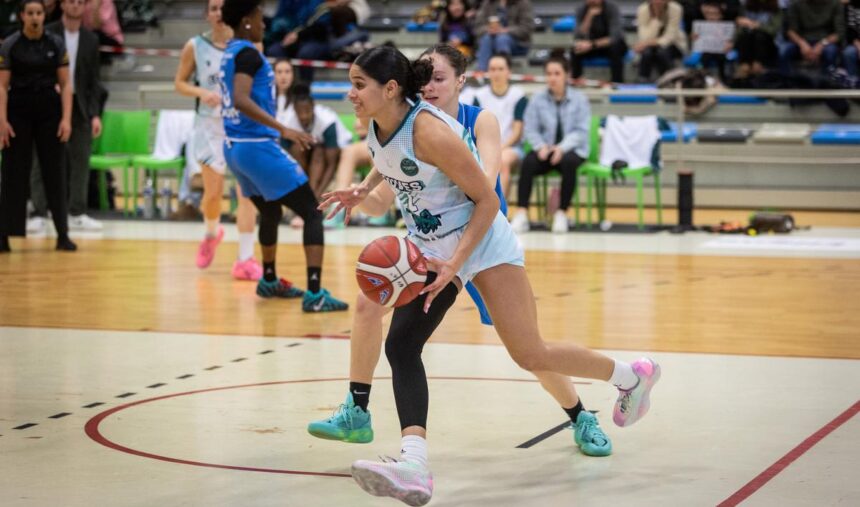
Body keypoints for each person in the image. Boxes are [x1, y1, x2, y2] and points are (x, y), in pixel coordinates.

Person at [331, 45, 660, 506]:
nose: (350, 93)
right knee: (402, 343)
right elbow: (387, 169)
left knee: (530, 352)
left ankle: (630, 376)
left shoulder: (434, 130)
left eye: (358, 84)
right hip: (434, 248)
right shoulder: (377, 125)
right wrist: (360, 192)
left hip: (482, 242)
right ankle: (414, 465)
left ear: (389, 89)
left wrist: (455, 263)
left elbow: (486, 200)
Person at [219, 0, 348, 311]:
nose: (264, 23)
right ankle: (315, 295)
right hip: (256, 147)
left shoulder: (230, 52)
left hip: (234, 147)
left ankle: (269, 279)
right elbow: (239, 98)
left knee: (272, 212)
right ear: (247, 21)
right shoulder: (248, 54)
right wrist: (283, 130)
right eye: (259, 17)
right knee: (313, 213)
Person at [174, 0, 263, 281]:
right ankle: (212, 233)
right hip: (209, 127)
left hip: (240, 127)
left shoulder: (249, 46)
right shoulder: (195, 46)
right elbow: (180, 83)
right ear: (207, 14)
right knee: (213, 195)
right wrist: (202, 92)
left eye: (222, 8)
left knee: (246, 195)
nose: (218, 13)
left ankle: (245, 259)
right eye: (212, 8)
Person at [0, 0, 75, 253]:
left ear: (44, 16)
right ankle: (4, 236)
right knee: (13, 173)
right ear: (22, 16)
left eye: (39, 13)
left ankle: (63, 235)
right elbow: (1, 86)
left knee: (55, 173)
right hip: (18, 111)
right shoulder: (10, 44)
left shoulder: (55, 43)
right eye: (30, 13)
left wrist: (66, 119)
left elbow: (66, 85)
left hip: (49, 111)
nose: (35, 17)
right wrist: (2, 120)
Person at [28, 0, 104, 234]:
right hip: (49, 104)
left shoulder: (91, 40)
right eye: (71, 1)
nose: (75, 5)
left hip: (79, 106)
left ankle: (77, 212)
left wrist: (95, 115)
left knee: (80, 159)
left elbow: (94, 82)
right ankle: (39, 213)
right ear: (62, 5)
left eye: (80, 2)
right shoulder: (47, 32)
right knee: (41, 160)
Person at [509, 56, 589, 235]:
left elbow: (581, 132)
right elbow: (530, 128)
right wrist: (540, 147)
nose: (552, 78)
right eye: (549, 74)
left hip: (571, 150)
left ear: (567, 75)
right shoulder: (537, 99)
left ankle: (562, 213)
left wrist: (561, 148)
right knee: (528, 162)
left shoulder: (580, 100)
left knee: (569, 162)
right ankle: (522, 213)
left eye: (557, 73)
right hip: (546, 149)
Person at [471, 53, 527, 203]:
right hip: (483, 148)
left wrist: (498, 149)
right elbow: (475, 127)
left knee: (502, 161)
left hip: (511, 147)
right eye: (493, 69)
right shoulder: (479, 95)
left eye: (500, 69)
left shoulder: (518, 96)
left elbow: (517, 131)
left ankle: (498, 211)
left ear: (509, 72)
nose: (496, 73)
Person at [283, 82, 354, 199]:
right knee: (296, 148)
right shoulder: (287, 122)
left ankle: (313, 194)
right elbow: (285, 158)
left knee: (319, 152)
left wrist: (317, 195)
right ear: (294, 110)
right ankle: (302, 191)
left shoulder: (327, 121)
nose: (304, 116)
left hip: (338, 147)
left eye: (307, 111)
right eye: (300, 113)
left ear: (313, 107)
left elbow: (331, 164)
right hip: (309, 151)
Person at [265, 0, 333, 82]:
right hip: (289, 39)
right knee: (274, 50)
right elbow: (278, 20)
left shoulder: (318, 2)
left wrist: (299, 35)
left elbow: (321, 29)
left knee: (306, 53)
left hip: (315, 40)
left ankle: (304, 88)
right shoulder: (285, 2)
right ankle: (281, 88)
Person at [779, 0, 844, 75]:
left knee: (831, 52)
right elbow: (790, 31)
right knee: (783, 50)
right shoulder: (796, 4)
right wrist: (802, 44)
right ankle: (786, 82)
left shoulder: (835, 4)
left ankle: (827, 83)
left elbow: (839, 33)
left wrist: (821, 45)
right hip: (801, 40)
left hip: (826, 41)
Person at [570, 0, 628, 83]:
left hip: (609, 45)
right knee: (575, 49)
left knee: (616, 48)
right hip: (591, 46)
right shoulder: (581, 9)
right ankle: (576, 81)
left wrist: (592, 44)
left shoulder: (612, 8)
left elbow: (615, 37)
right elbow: (578, 36)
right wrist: (589, 17)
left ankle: (617, 83)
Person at [633, 0, 688, 82]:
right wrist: (656, 18)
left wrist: (646, 43)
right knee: (647, 52)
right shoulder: (642, 9)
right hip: (648, 46)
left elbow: (670, 36)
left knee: (662, 52)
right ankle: (643, 81)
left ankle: (667, 81)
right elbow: (644, 36)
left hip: (674, 44)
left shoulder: (676, 8)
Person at [473, 0, 534, 71]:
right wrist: (488, 30)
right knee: (486, 38)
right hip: (491, 39)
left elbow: (526, 28)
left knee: (502, 39)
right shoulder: (488, 3)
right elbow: (478, 27)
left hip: (519, 43)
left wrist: (505, 30)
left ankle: (503, 71)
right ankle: (482, 73)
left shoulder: (523, 3)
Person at [733, 0, 782, 78]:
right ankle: (744, 65)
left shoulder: (775, 10)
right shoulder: (745, 8)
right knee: (746, 36)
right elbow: (739, 29)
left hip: (768, 44)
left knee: (760, 36)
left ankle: (758, 64)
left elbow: (773, 30)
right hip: (747, 43)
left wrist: (756, 25)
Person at [844, 0, 860, 78]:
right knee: (849, 53)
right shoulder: (852, 5)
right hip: (857, 43)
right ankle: (852, 80)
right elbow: (851, 30)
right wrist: (859, 47)